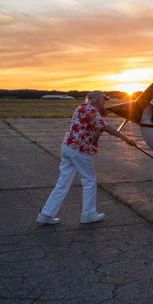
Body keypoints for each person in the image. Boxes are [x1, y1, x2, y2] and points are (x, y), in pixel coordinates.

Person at [36, 91, 137, 225]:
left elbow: (96, 121)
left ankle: (46, 214)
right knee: (89, 181)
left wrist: (105, 111)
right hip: (79, 149)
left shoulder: (82, 108)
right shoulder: (90, 109)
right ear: (94, 100)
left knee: (63, 183)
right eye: (103, 99)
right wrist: (126, 139)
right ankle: (88, 214)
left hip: (69, 147)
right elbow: (105, 127)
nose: (105, 102)